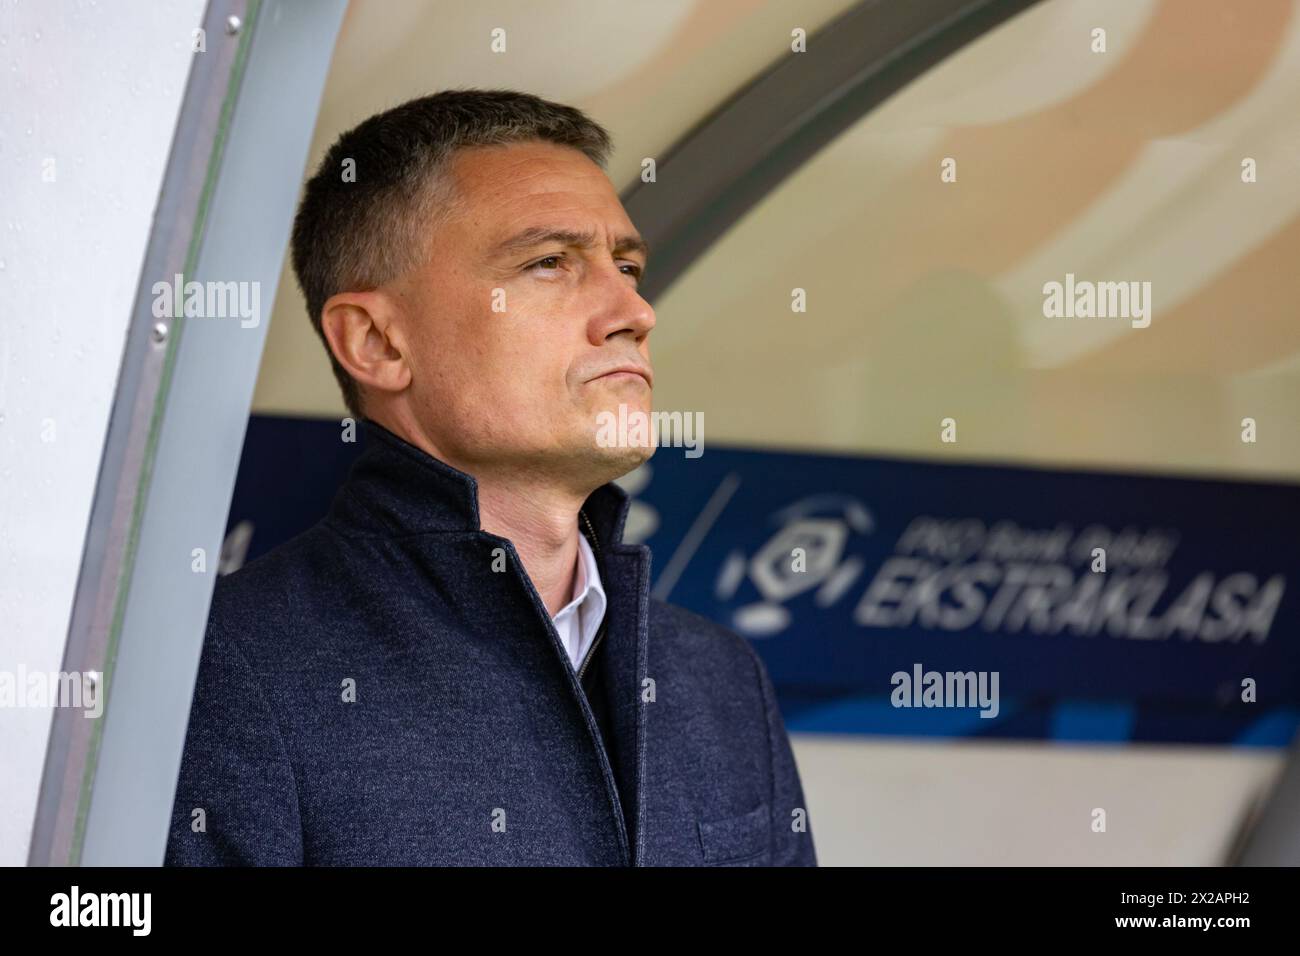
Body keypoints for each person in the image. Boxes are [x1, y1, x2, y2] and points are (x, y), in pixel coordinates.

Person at [165, 89, 816, 866]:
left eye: (628, 265)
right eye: (548, 263)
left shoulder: (720, 679)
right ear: (375, 342)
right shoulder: (223, 668)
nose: (635, 310)